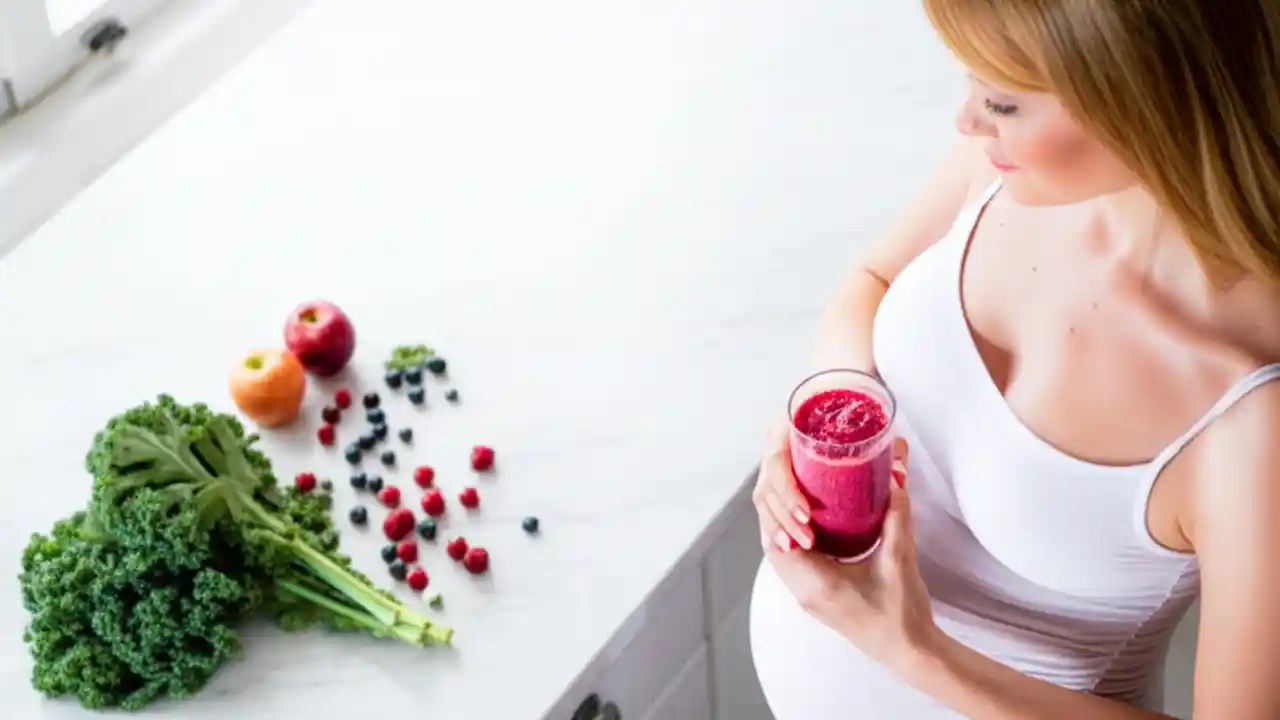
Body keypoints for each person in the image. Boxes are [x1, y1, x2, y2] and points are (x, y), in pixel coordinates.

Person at [748, 1, 1280, 718]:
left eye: (1001, 101)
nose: (966, 119)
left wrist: (909, 647)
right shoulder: (1006, 166)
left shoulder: (1250, 419)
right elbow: (872, 280)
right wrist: (827, 415)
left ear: (1142, 100)